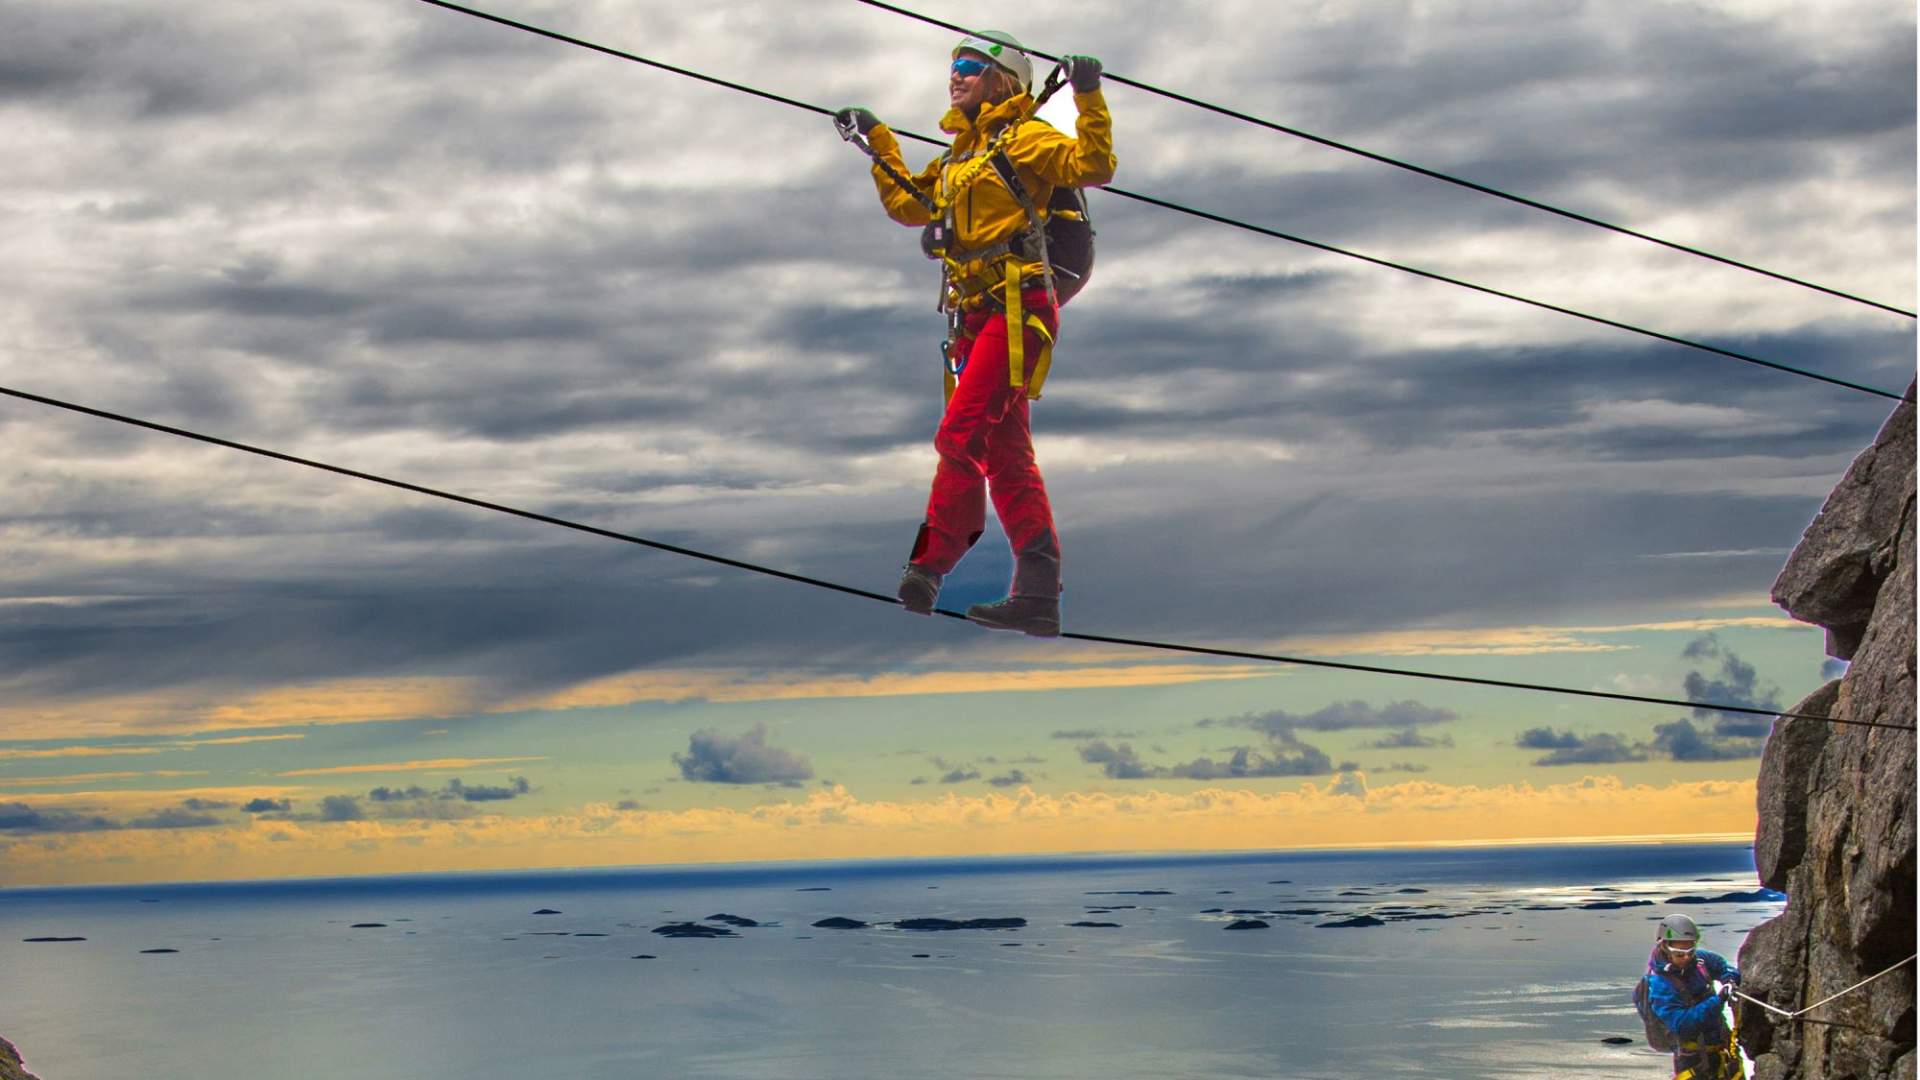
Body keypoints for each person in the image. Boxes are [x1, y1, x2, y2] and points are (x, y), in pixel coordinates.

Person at [835, 33, 1115, 637]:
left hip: (1020, 311)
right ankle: (1039, 596)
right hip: (977, 319)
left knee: (958, 436)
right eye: (952, 67)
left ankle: (931, 565)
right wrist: (877, 137)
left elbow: (1094, 166)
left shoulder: (1028, 138)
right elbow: (910, 204)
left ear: (1002, 81)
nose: (954, 76)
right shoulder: (959, 160)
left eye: (968, 67)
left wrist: (1087, 94)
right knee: (1007, 459)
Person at [1645, 913, 1743, 1079]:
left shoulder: (1699, 962)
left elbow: (1722, 966)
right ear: (1664, 947)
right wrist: (1718, 1000)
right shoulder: (1660, 984)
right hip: (1692, 1060)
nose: (1687, 958)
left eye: (1690, 951)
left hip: (1722, 1049)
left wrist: (1729, 980)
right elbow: (1682, 1024)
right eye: (1680, 954)